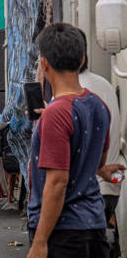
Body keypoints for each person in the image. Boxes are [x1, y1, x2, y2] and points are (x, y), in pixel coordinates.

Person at [27, 23, 123, 258]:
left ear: (44, 63)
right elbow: (97, 160)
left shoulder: (55, 113)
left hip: (62, 231)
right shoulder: (97, 104)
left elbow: (58, 182)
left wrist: (40, 242)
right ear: (82, 59)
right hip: (94, 224)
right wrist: (101, 171)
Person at [77, 29, 122, 257]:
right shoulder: (102, 84)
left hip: (87, 191)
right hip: (107, 188)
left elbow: (77, 152)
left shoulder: (74, 95)